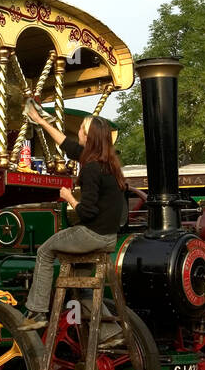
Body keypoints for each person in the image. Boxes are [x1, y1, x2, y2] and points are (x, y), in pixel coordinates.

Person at [18, 106, 128, 330]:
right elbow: (66, 145)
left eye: (80, 129)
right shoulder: (107, 163)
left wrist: (69, 198)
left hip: (92, 234)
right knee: (81, 280)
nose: (77, 132)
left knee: (45, 252)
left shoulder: (90, 169)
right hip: (108, 237)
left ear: (88, 137)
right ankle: (110, 332)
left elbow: (87, 212)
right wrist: (40, 120)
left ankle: (38, 312)